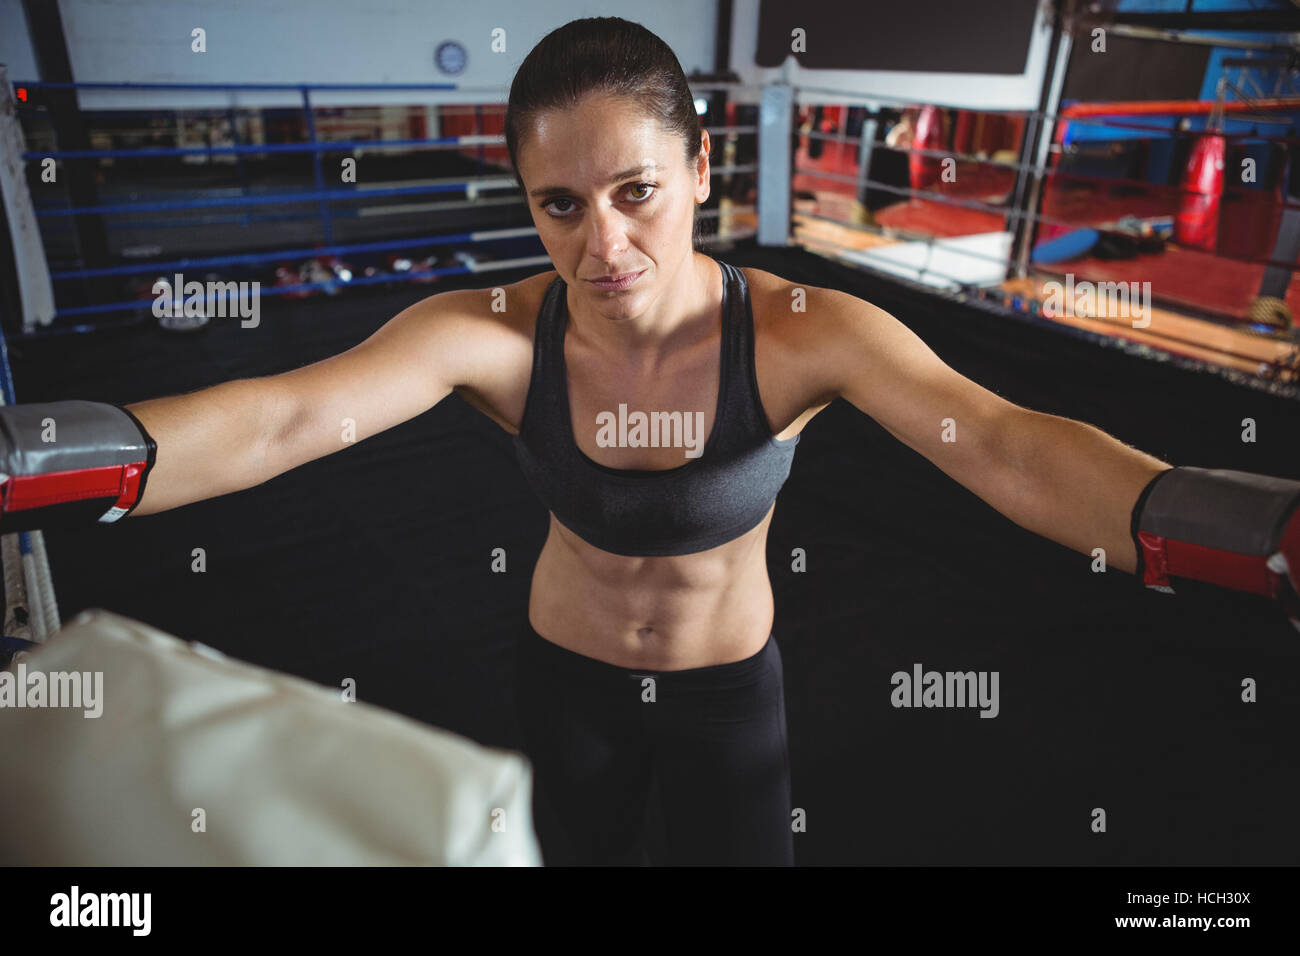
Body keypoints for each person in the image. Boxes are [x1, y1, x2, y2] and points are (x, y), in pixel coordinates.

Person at [3, 16, 1300, 867]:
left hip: (730, 697)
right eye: (559, 207)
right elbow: (285, 416)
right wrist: (49, 454)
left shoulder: (801, 333)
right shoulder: (493, 333)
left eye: (636, 194)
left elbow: (1013, 447)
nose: (603, 247)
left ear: (699, 172)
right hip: (564, 686)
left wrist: (1239, 525)